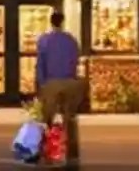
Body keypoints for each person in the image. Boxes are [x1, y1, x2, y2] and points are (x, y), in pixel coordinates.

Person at [36, 10, 84, 169]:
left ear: (51, 22)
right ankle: (72, 154)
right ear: (62, 22)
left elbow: (41, 63)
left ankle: (48, 152)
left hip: (51, 82)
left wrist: (41, 84)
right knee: (70, 118)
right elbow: (75, 60)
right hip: (69, 81)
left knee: (47, 119)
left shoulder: (44, 40)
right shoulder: (71, 40)